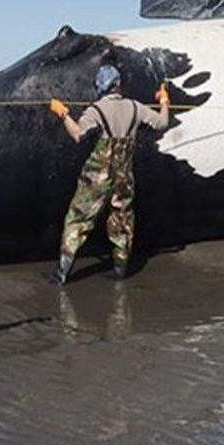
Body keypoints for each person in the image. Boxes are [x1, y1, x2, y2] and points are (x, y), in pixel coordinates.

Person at [46, 64, 170, 285]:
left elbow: (78, 135)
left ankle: (61, 274)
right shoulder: (136, 107)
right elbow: (163, 123)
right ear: (118, 84)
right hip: (124, 176)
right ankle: (120, 272)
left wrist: (63, 113)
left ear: (100, 87)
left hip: (96, 177)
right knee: (122, 221)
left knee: (77, 219)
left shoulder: (95, 110)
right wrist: (164, 101)